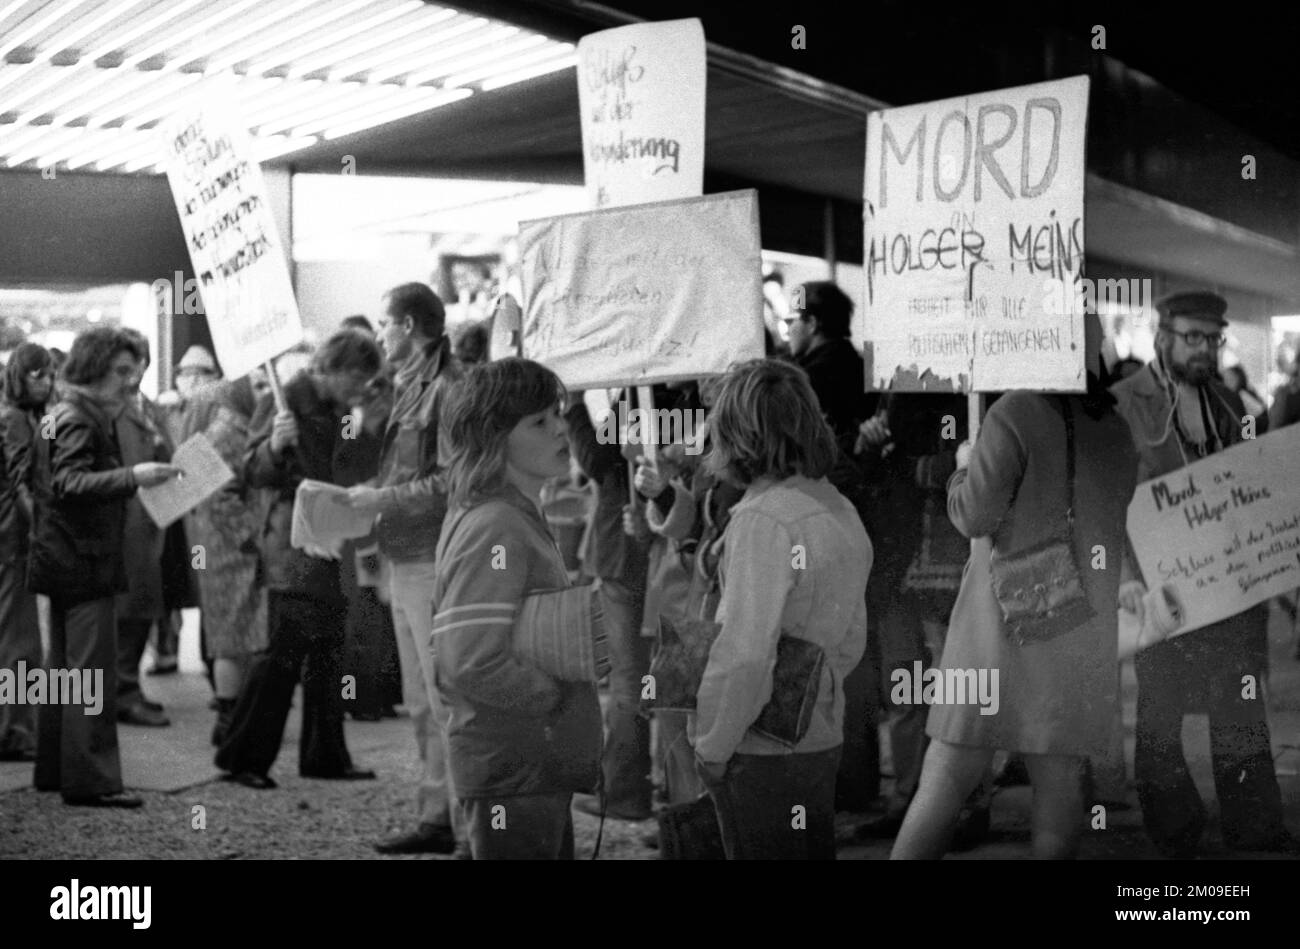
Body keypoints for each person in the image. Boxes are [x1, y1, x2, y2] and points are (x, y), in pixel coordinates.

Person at [891, 313, 1138, 860]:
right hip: (1077, 624)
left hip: (996, 625)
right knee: (1058, 781)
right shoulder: (1116, 427)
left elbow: (975, 516)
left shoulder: (1014, 412)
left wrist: (962, 466)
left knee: (947, 775)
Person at [1111, 291, 1298, 856]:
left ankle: (1255, 826)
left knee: (1240, 703)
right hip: (1160, 587)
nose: (1203, 349)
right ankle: (1175, 830)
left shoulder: (1233, 405)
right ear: (1161, 335)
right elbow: (1106, 497)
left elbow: (1257, 490)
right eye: (1191, 337)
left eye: (1212, 339)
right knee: (1160, 711)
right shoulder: (1122, 404)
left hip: (1232, 586)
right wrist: (1123, 574)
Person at [693, 359, 871, 860]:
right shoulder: (836, 505)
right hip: (819, 731)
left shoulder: (761, 520)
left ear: (731, 433)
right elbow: (852, 633)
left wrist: (712, 746)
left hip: (759, 746)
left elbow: (745, 657)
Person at [431, 358, 602, 859]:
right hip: (515, 764)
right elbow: (469, 659)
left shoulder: (511, 512)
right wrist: (553, 700)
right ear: (494, 435)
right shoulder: (497, 524)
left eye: (558, 415)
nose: (560, 431)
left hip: (526, 761)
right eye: (539, 422)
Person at [214, 329, 382, 789]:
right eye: (357, 377)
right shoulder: (284, 399)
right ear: (335, 368)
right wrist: (273, 445)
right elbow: (251, 471)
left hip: (327, 533)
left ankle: (324, 754)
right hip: (292, 540)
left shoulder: (340, 409)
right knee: (283, 651)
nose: (362, 387)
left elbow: (349, 464)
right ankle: (243, 758)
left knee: (328, 649)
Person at [28, 327, 180, 807]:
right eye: (121, 370)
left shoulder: (62, 412)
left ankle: (55, 769)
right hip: (85, 557)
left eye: (134, 370)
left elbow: (51, 484)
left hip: (61, 556)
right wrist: (133, 476)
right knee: (89, 673)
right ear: (94, 367)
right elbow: (70, 482)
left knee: (63, 671)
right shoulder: (80, 417)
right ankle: (90, 778)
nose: (131, 379)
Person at [341, 283, 463, 855]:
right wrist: (378, 494)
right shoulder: (415, 385)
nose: (380, 336)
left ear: (409, 326)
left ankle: (467, 825)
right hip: (408, 554)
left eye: (386, 325)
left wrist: (381, 499)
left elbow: (452, 481)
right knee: (421, 700)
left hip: (434, 556)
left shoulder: (448, 387)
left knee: (444, 698)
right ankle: (439, 817)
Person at [565, 389, 654, 821]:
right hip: (652, 549)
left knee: (628, 677)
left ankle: (624, 791)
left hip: (628, 551)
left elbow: (599, 461)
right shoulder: (675, 391)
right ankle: (667, 791)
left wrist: (576, 403)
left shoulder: (648, 390)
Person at [178, 377, 269, 745]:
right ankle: (229, 722)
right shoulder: (229, 431)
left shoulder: (236, 427)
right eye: (260, 386)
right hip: (231, 550)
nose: (266, 394)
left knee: (238, 635)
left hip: (226, 546)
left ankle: (235, 718)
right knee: (233, 636)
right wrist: (253, 535)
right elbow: (220, 497)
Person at [112, 330, 176, 728]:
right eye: (127, 364)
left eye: (141, 362)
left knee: (145, 606)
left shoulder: (148, 407)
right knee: (126, 607)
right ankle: (120, 691)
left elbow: (163, 447)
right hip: (123, 519)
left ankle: (129, 686)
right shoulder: (106, 409)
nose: (136, 371)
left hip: (153, 517)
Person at [0, 343, 52, 761]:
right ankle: (14, 732)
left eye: (50, 374)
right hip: (14, 542)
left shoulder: (22, 415)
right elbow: (21, 482)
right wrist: (43, 532)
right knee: (19, 642)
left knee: (19, 639)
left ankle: (16, 728)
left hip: (14, 540)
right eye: (38, 374)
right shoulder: (14, 417)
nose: (47, 382)